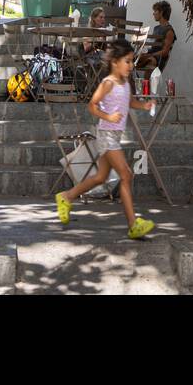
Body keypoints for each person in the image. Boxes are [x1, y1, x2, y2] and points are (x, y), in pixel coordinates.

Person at [56, 39, 155, 240]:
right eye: (127, 61)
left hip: (114, 137)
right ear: (115, 62)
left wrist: (142, 106)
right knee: (126, 175)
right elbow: (92, 105)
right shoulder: (107, 83)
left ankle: (66, 196)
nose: (131, 65)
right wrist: (108, 116)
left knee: (100, 178)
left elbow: (128, 102)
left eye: (132, 61)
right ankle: (133, 224)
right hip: (106, 136)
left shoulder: (125, 83)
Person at [137, 0, 176, 73]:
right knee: (129, 56)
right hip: (151, 56)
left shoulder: (169, 31)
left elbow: (165, 52)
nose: (153, 13)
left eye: (155, 11)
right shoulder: (156, 28)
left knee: (145, 60)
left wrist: (149, 55)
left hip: (157, 60)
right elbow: (152, 46)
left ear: (161, 12)